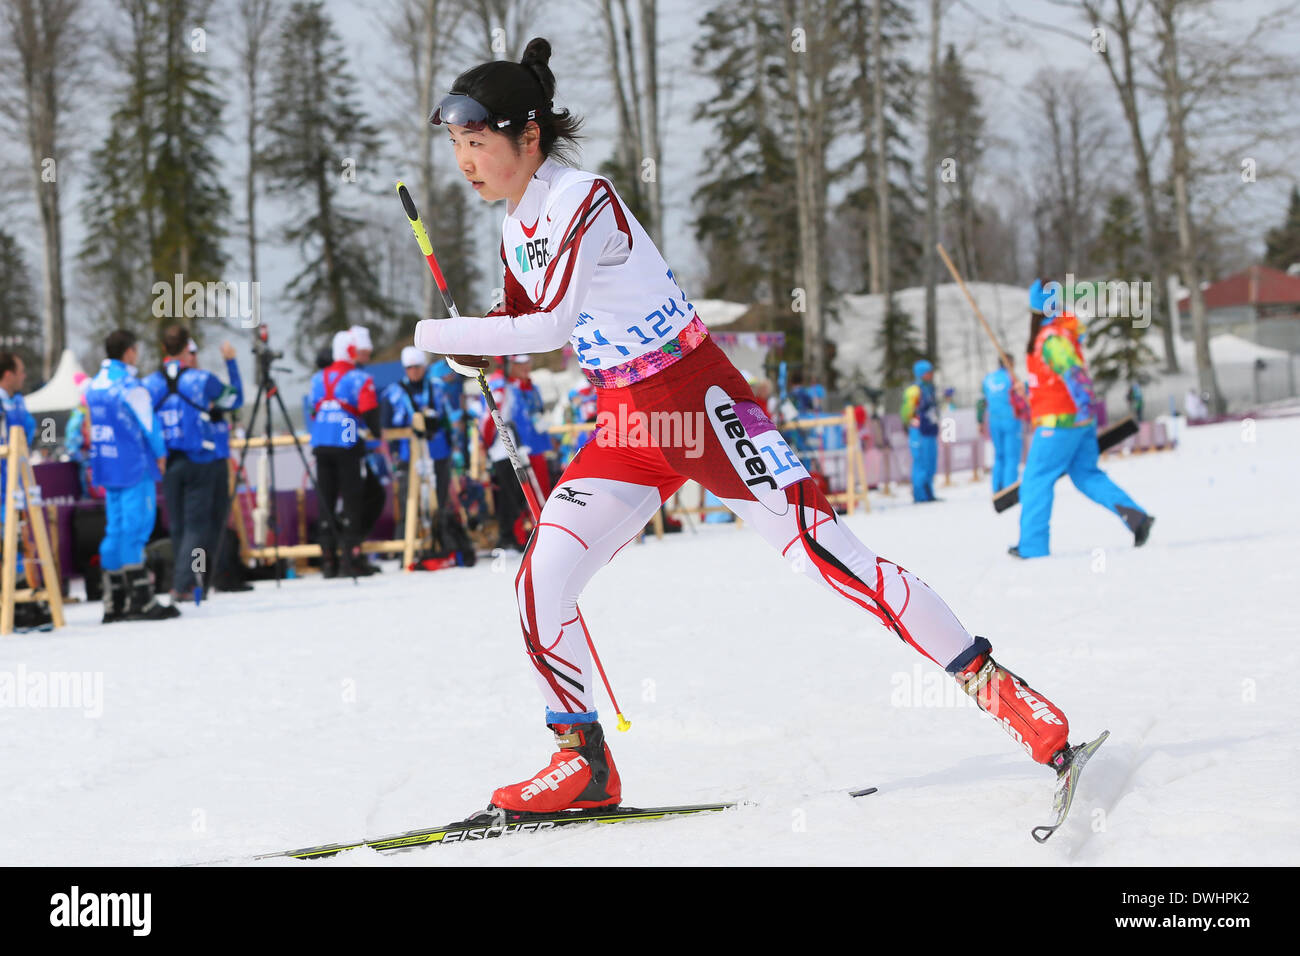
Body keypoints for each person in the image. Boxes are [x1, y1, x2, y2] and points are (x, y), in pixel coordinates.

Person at [412, 37, 1093, 815]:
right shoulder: (514, 225)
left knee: (825, 557)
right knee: (542, 579)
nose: (465, 162)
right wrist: (478, 341)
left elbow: (552, 326)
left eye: (477, 142)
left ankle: (1000, 691)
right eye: (457, 146)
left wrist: (437, 336)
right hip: (627, 421)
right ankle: (582, 761)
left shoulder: (584, 198)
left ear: (527, 136)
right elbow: (521, 320)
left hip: (698, 403)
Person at [1011, 280, 1154, 559]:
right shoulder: (1062, 334)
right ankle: (1136, 517)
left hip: (1059, 424)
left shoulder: (1051, 338)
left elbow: (1074, 375)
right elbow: (1056, 380)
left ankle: (1032, 546)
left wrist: (1083, 406)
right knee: (1086, 475)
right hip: (1077, 422)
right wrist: (1029, 389)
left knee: (1036, 480)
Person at [84, 330, 179, 621]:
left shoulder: (93, 386)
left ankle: (114, 601)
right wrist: (161, 455)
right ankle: (140, 599)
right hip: (134, 466)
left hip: (107, 466)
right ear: (128, 352)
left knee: (114, 530)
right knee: (136, 530)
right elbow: (149, 425)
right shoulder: (129, 386)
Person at [143, 326, 242, 600]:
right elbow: (236, 398)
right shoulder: (201, 380)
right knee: (198, 526)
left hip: (168, 462)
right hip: (201, 460)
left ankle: (189, 582)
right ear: (188, 348)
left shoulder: (149, 384)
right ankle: (185, 582)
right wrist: (231, 363)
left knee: (178, 526)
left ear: (164, 349)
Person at [308, 329, 381, 578]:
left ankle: (328, 558)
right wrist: (377, 434)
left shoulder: (317, 379)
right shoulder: (359, 378)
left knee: (326, 499)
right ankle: (352, 557)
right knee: (352, 500)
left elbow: (312, 411)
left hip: (321, 442)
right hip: (347, 442)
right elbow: (370, 411)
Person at [380, 347, 453, 537]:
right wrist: (394, 453)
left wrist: (451, 442)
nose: (414, 371)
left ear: (424, 367)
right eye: (410, 367)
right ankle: (407, 542)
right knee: (408, 501)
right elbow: (386, 427)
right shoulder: (393, 393)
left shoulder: (436, 388)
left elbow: (447, 419)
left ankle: (443, 539)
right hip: (408, 454)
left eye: (417, 367)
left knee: (440, 498)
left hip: (437, 451)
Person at [981, 356, 1027, 494]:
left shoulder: (988, 378)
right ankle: (1009, 487)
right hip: (1010, 419)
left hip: (993, 420)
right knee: (1011, 455)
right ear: (1010, 363)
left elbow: (984, 400)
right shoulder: (1011, 377)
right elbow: (1021, 397)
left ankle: (997, 486)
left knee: (999, 455)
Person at [900, 359, 939, 503]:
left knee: (930, 463)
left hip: (930, 431)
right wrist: (908, 422)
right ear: (921, 374)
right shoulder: (914, 390)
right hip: (919, 432)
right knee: (920, 463)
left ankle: (929, 492)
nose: (931, 375)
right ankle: (919, 494)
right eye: (928, 372)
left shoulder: (930, 388)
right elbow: (906, 411)